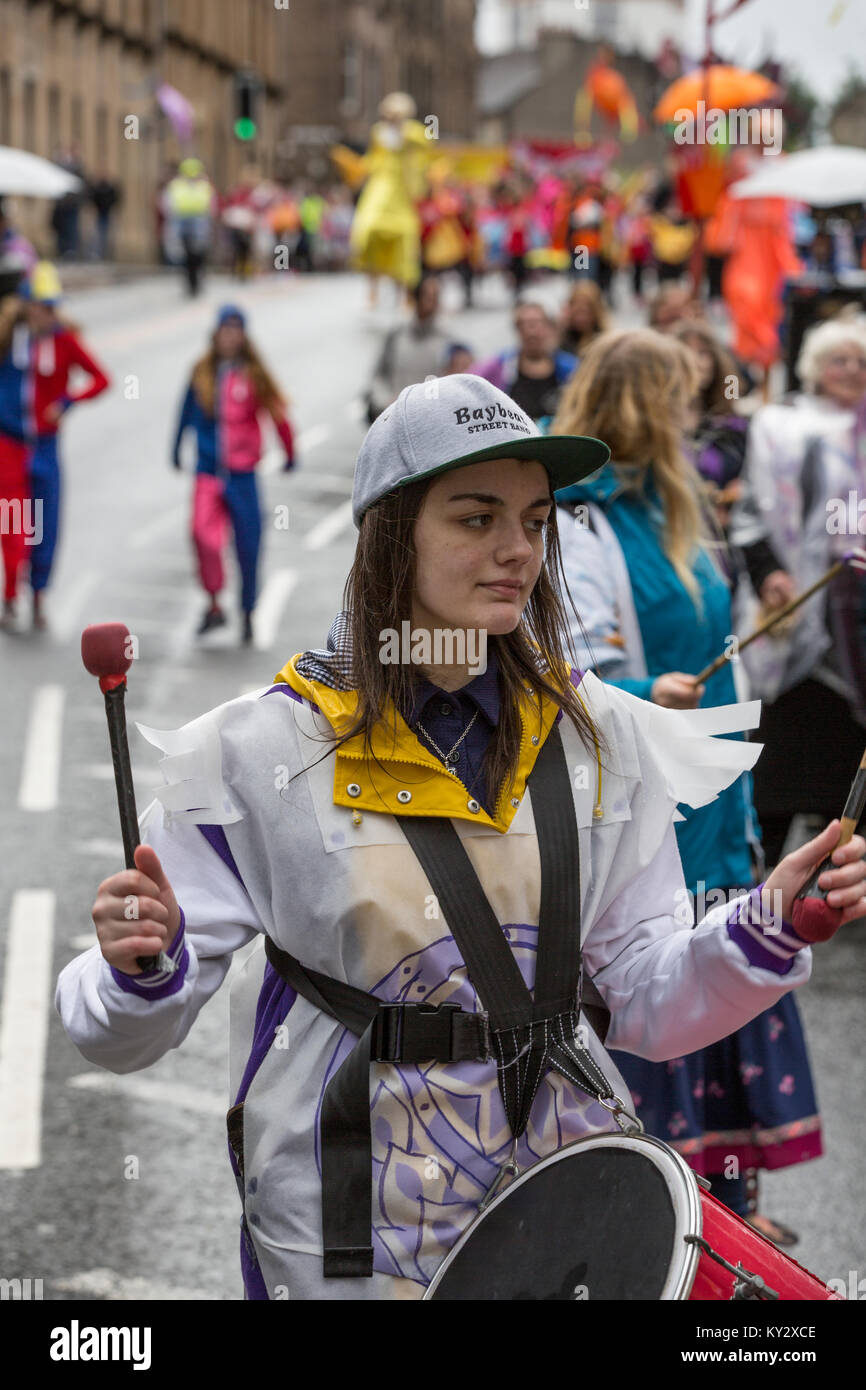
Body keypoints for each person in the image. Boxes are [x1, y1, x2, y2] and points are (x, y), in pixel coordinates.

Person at [56, 372, 866, 1301]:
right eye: (475, 519)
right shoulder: (258, 751)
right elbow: (120, 1034)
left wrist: (771, 925)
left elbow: (644, 995)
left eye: (532, 521)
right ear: (390, 534)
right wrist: (134, 966)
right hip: (348, 1228)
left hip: (563, 1210)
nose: (516, 550)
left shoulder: (602, 732)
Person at [553, 330, 828, 1243]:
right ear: (639, 406)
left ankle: (722, 1223)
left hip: (711, 805)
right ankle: (654, 1222)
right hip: (643, 803)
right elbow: (565, 668)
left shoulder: (682, 503)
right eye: (675, 398)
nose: (691, 416)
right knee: (651, 991)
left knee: (715, 987)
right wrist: (641, 692)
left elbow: (725, 639)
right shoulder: (577, 517)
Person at [729, 314, 866, 867]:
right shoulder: (778, 425)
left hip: (856, 623)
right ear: (814, 367)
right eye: (840, 360)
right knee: (782, 750)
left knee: (851, 748)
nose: (852, 370)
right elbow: (750, 514)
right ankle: (766, 870)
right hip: (793, 617)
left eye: (861, 361)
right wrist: (769, 574)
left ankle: (847, 864)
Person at [172, 305, 296, 645]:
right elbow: (184, 412)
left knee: (248, 545)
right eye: (224, 329)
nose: (229, 336)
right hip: (208, 473)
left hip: (243, 476)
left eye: (235, 329)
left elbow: (277, 412)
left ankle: (247, 612)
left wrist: (289, 451)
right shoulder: (202, 371)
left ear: (243, 335)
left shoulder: (254, 374)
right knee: (202, 534)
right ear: (216, 334)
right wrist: (176, 447)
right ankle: (214, 603)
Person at [0, 262, 110, 630]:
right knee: (13, 521)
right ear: (26, 305)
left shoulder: (64, 341)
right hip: (10, 444)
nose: (43, 315)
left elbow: (101, 379)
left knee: (45, 524)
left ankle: (39, 594)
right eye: (37, 306)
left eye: (50, 307)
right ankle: (11, 594)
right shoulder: (7, 337)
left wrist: (67, 401)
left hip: (46, 446)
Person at [350, 92, 428, 309]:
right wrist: (357, 169)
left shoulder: (413, 132)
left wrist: (404, 131)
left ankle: (405, 294)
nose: (392, 117)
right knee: (368, 230)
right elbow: (372, 158)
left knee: (405, 240)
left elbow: (427, 142)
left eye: (397, 113)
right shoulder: (378, 132)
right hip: (380, 187)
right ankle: (372, 288)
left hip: (402, 192)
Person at [365, 274, 451, 423]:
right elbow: (378, 376)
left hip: (432, 421)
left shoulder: (448, 340)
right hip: (396, 419)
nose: (434, 301)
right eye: (428, 296)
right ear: (416, 298)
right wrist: (385, 402)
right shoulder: (397, 335)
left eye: (436, 296)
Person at [471, 301, 577, 424]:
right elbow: (467, 382)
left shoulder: (570, 368)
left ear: (549, 327)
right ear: (517, 330)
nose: (531, 331)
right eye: (524, 324)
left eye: (536, 323)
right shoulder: (500, 365)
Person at [162, 157, 216, 297]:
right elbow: (167, 203)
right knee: (187, 255)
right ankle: (191, 282)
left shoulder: (203, 185)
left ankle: (197, 279)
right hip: (183, 222)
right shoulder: (177, 185)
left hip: (198, 222)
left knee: (198, 254)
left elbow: (211, 204)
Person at [559, 281, 608, 358]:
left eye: (586, 313)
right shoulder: (561, 338)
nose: (581, 318)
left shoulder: (604, 340)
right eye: (577, 313)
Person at [88, 174, 122, 261]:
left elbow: (116, 198)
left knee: (106, 234)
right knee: (98, 234)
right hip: (99, 213)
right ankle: (97, 253)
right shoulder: (98, 188)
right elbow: (93, 197)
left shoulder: (110, 189)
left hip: (108, 213)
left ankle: (106, 253)